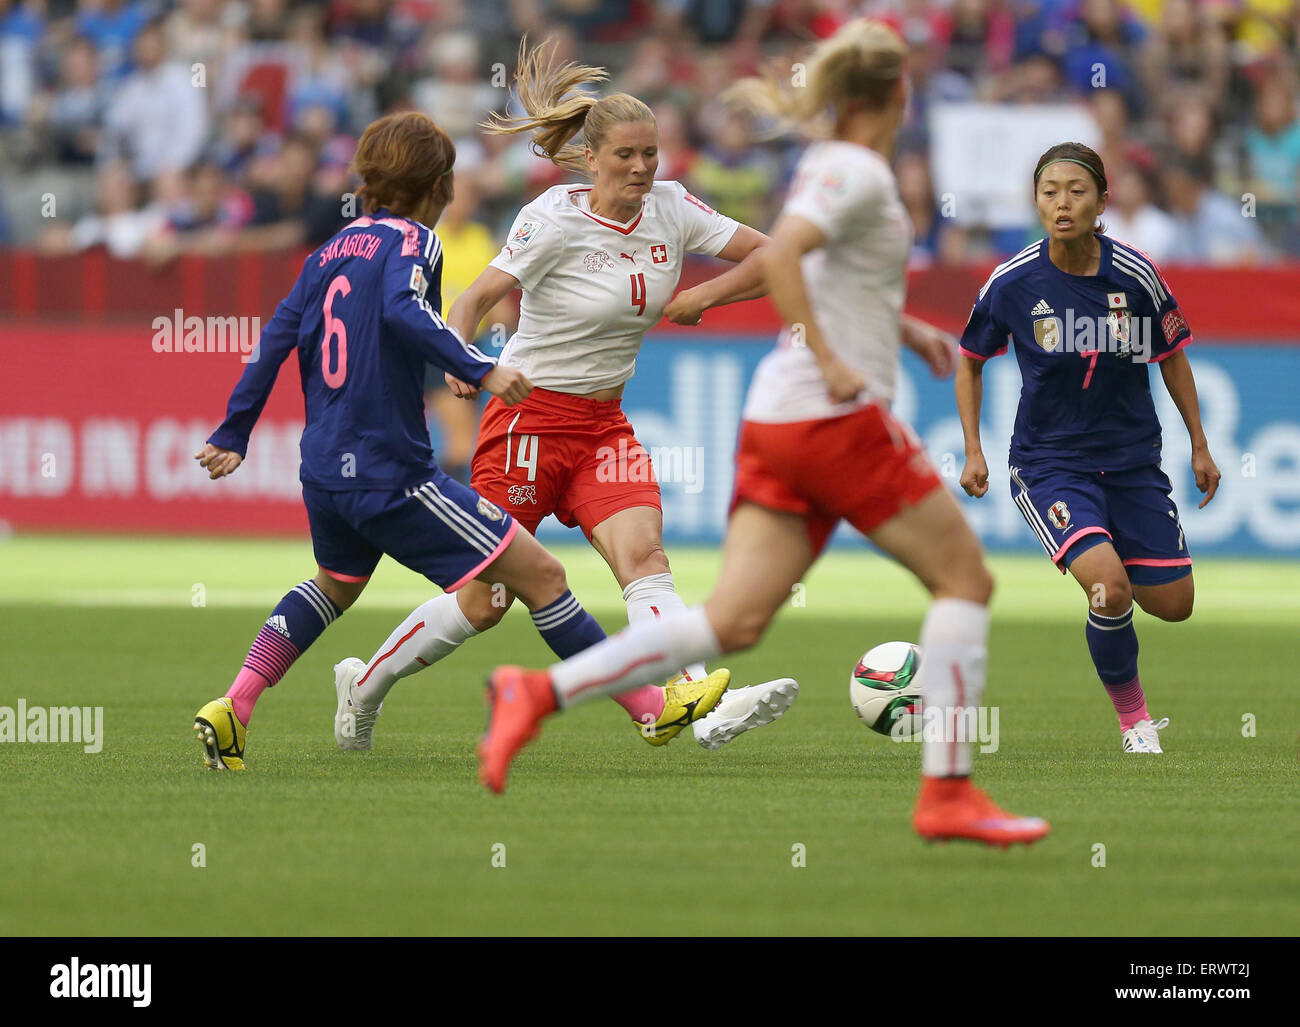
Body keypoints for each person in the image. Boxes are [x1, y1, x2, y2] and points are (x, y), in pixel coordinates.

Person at [474, 20, 1050, 849]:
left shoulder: (831, 165)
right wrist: (832, 354)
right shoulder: (856, 169)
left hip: (782, 417)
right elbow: (788, 261)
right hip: (830, 415)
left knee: (732, 623)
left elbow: (823, 270)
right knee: (967, 580)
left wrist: (907, 329)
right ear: (897, 94)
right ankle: (949, 791)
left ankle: (535, 693)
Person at [336, 38, 798, 754]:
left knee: (644, 557)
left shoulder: (673, 209)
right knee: (486, 603)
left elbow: (777, 255)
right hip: (527, 418)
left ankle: (699, 703)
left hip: (603, 426)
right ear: (590, 157)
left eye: (651, 153)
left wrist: (704, 293)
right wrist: (461, 359)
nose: (643, 167)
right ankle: (364, 684)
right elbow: (478, 297)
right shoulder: (554, 216)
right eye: (627, 155)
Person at [191, 111, 624, 770]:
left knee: (335, 583)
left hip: (324, 468)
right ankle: (649, 703)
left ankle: (236, 701)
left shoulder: (326, 253)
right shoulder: (414, 240)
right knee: (542, 574)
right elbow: (403, 309)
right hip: (389, 467)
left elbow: (276, 336)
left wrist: (234, 428)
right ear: (437, 187)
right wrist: (482, 366)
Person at [955, 141, 1221, 754]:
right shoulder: (1013, 281)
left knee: (1175, 604)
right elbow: (970, 361)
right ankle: (1135, 724)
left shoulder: (1137, 275)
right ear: (1036, 201)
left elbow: (1172, 358)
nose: (1062, 203)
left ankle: (1113, 561)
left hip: (1133, 463)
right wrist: (974, 449)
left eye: (1076, 191)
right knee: (1108, 585)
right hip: (1051, 466)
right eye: (1049, 192)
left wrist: (1200, 446)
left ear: (1103, 201)